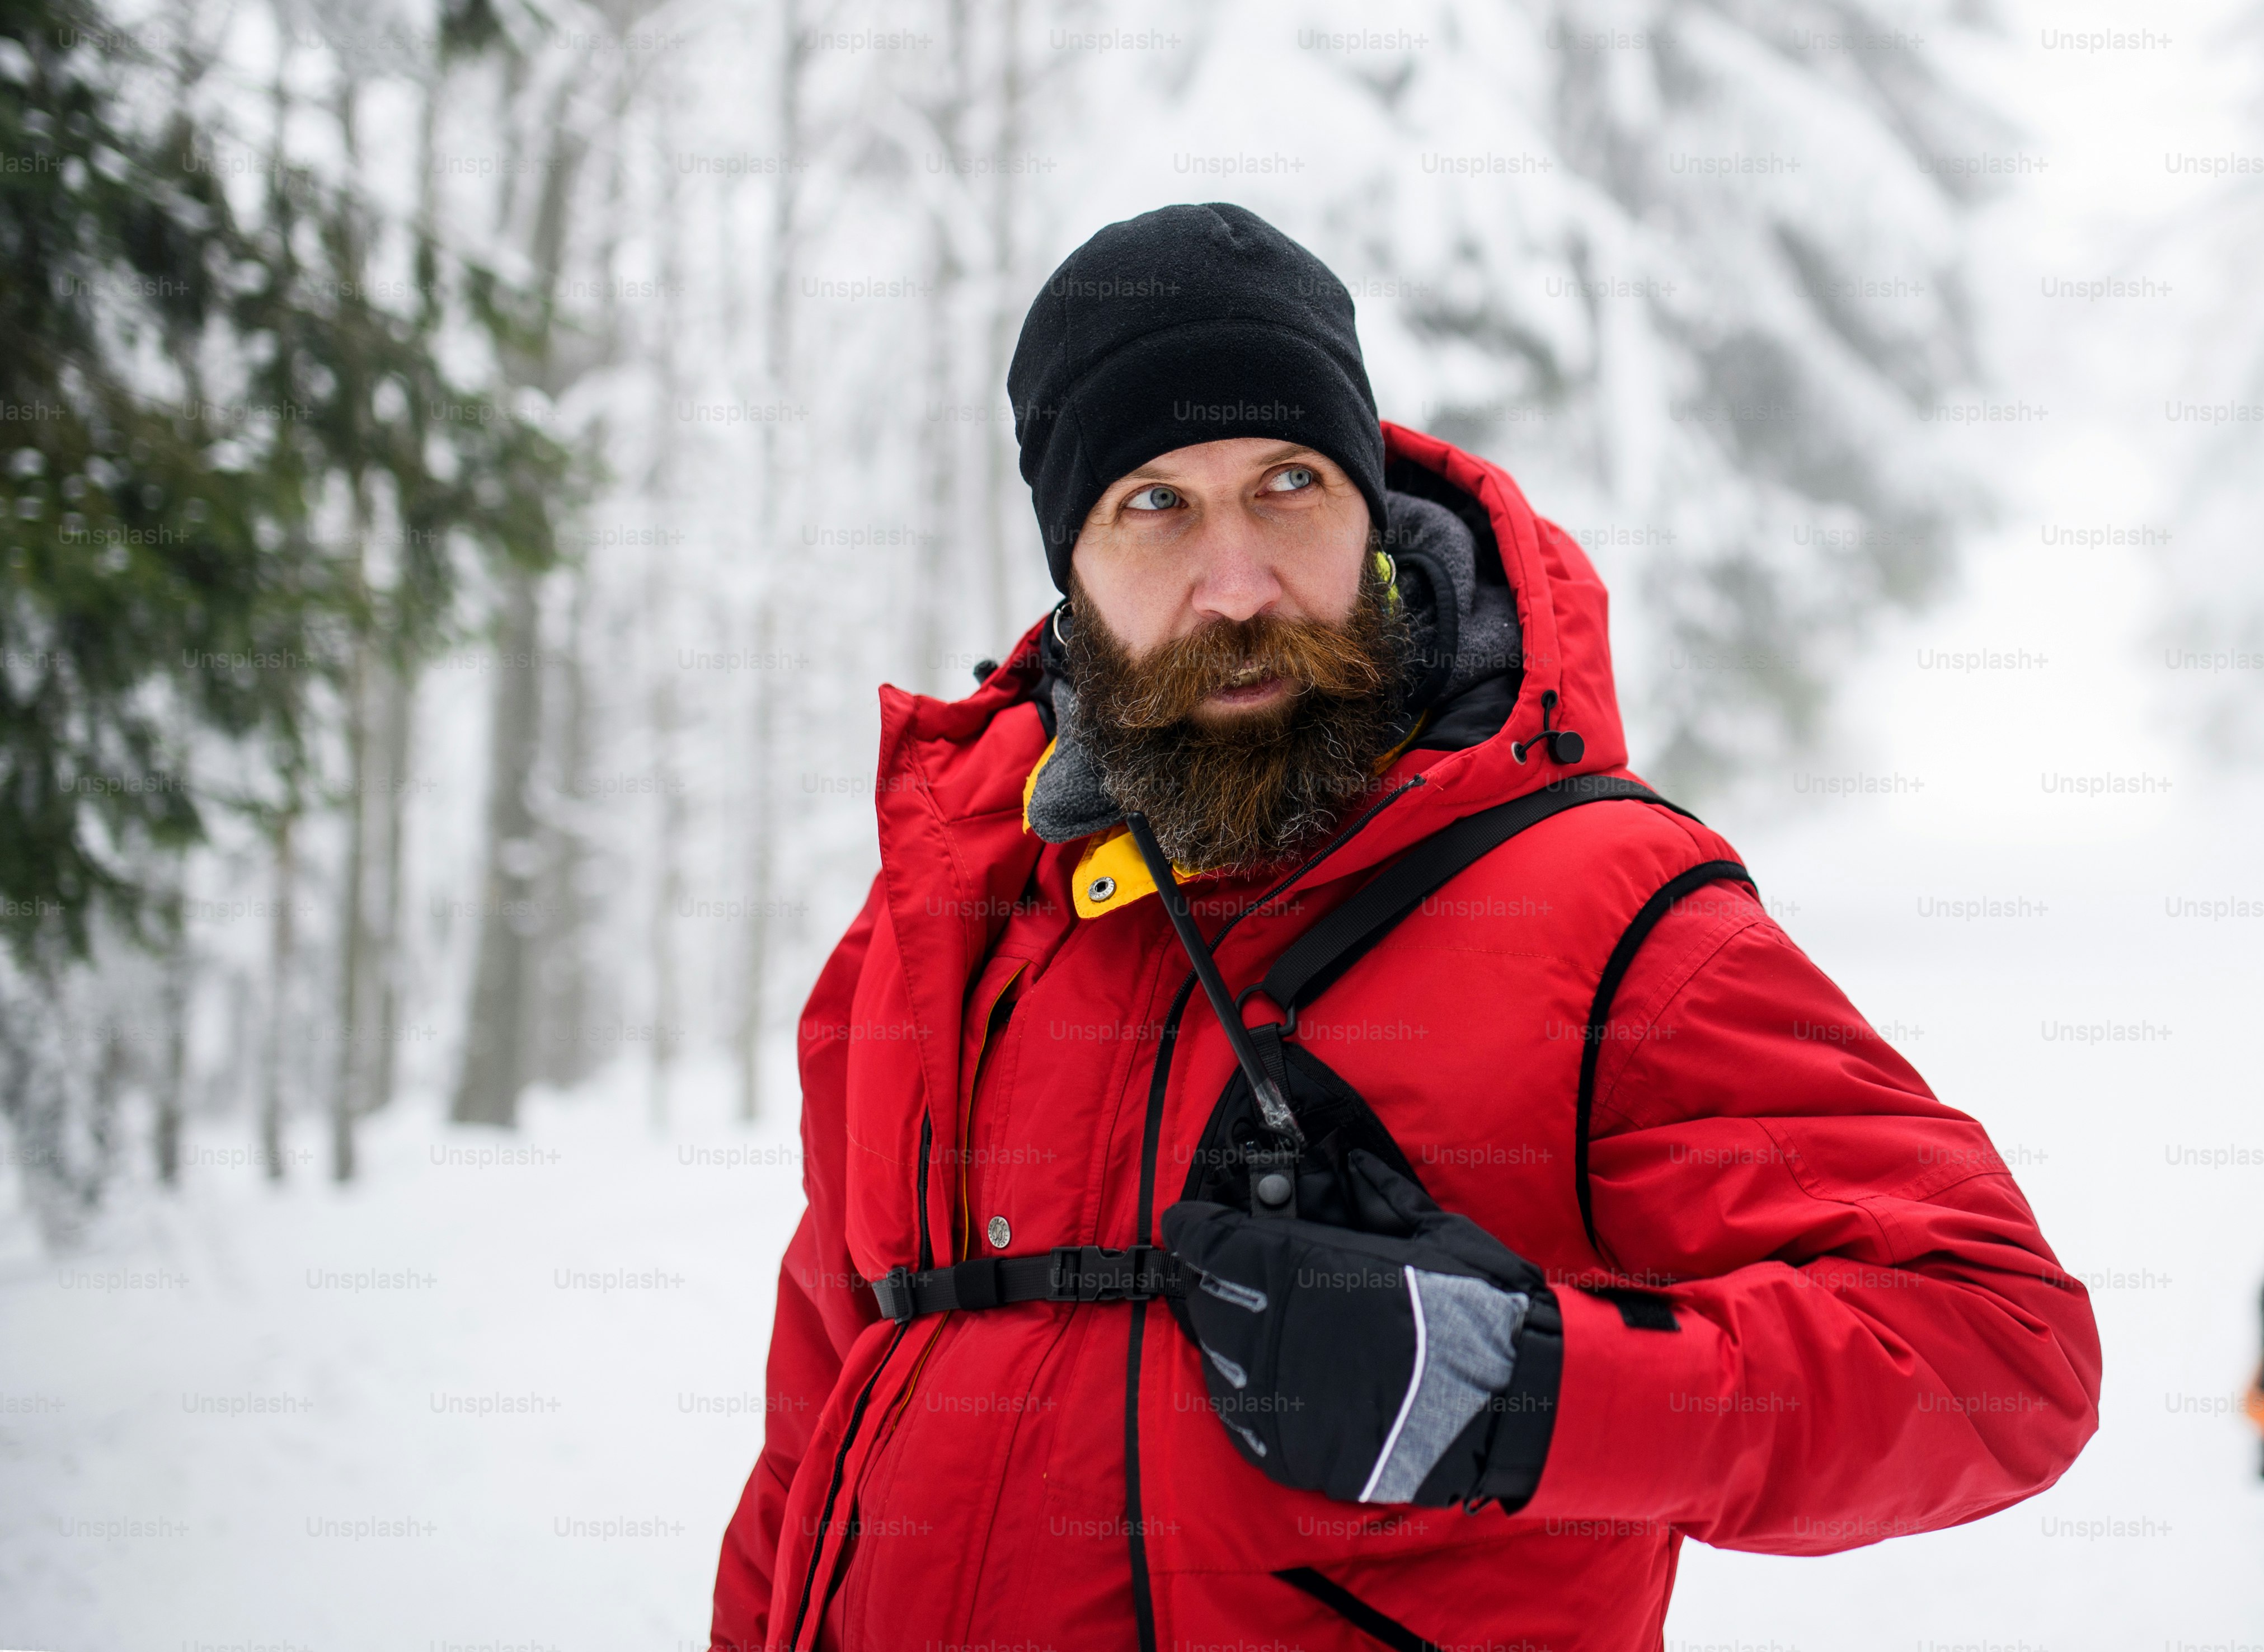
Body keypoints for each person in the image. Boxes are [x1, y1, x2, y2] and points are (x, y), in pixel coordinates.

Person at [710, 201, 2099, 1652]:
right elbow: (811, 1439)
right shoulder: (946, 912)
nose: (1236, 585)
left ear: (1370, 512)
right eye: (1155, 504)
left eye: (1289, 484)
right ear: (1073, 567)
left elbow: (2003, 1354)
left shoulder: (1598, 905)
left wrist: (1532, 1395)